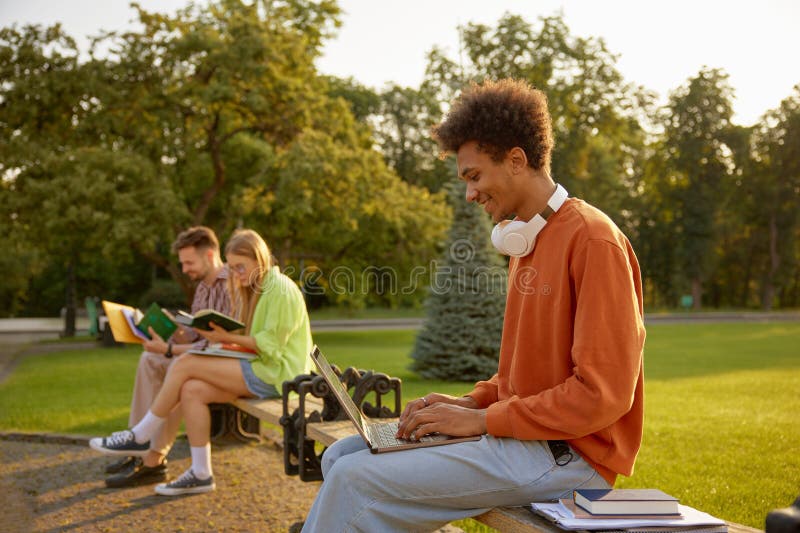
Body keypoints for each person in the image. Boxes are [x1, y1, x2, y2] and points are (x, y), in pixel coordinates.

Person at [300, 79, 646, 532]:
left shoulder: (593, 240)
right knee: (345, 452)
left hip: (571, 457)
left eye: (474, 176)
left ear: (517, 160)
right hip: (526, 440)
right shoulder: (525, 242)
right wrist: (466, 404)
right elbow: (523, 378)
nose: (469, 193)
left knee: (352, 478)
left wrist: (483, 420)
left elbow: (602, 395)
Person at [90, 228, 313, 495]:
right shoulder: (256, 289)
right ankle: (201, 473)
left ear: (259, 259)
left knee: (186, 364)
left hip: (278, 375)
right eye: (232, 268)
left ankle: (141, 435)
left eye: (240, 267)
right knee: (191, 389)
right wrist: (221, 339)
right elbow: (253, 342)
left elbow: (271, 347)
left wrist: (220, 338)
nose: (236, 275)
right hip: (262, 368)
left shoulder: (280, 289)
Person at [103, 226, 231, 488]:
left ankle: (153, 459)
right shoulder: (203, 289)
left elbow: (214, 345)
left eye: (188, 262)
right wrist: (173, 331)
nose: (184, 270)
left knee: (175, 368)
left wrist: (171, 350)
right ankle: (137, 450)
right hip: (195, 356)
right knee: (149, 360)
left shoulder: (230, 285)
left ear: (209, 255)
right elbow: (196, 337)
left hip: (219, 362)